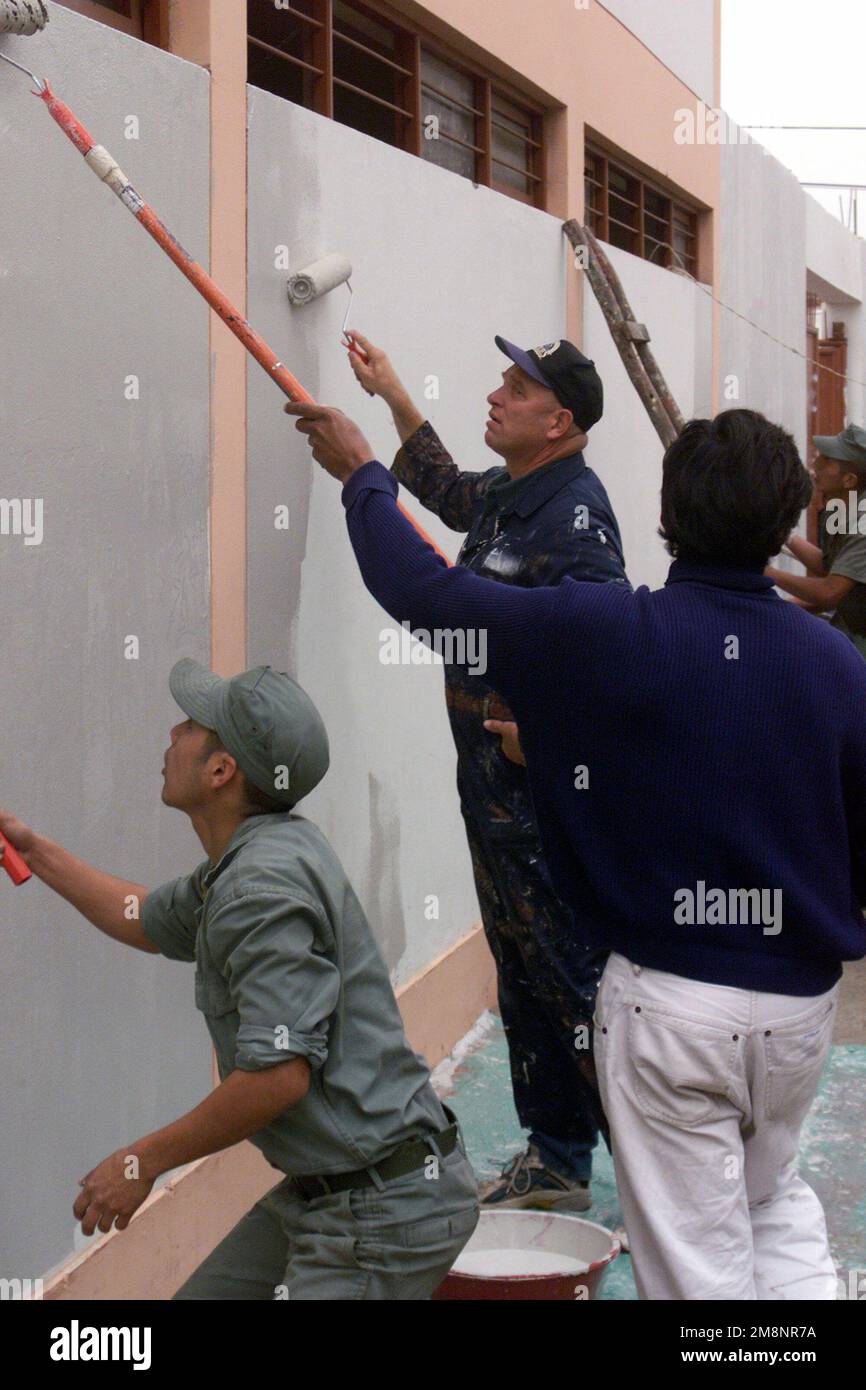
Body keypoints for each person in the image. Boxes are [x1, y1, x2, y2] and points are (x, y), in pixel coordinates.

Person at [285, 398, 866, 1300]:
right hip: (797, 1014)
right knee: (770, 1206)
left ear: (667, 516)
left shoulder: (607, 632)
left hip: (673, 1012)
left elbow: (429, 595)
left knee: (700, 1271)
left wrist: (363, 474)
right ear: (785, 523)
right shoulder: (838, 667)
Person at [0, 660, 478, 1300]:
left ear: (222, 770)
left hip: (378, 1212)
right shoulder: (259, 854)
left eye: (191, 726)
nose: (173, 733)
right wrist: (32, 850)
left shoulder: (259, 889)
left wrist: (141, 1161)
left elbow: (277, 1076)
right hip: (330, 1191)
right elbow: (143, 918)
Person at [344, 329, 628, 1210]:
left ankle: (658, 1169)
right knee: (525, 980)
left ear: (560, 421)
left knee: (571, 985)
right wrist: (392, 392)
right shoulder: (515, 492)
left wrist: (547, 735)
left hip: (541, 805)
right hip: (492, 800)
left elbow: (604, 655)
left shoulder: (577, 519)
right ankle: (557, 1161)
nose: (498, 395)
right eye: (504, 379)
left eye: (518, 387)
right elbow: (447, 489)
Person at [766, 423, 866, 659]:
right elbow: (828, 565)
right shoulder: (842, 508)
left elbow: (830, 592)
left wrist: (762, 571)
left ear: (849, 480)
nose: (816, 463)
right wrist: (784, 534)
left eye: (827, 460)